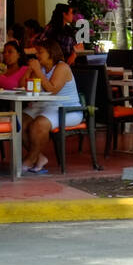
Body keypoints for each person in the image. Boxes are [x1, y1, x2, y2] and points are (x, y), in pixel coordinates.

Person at [21, 39, 80, 174]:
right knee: (19, 121)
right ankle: (38, 157)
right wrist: (29, 70)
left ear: (51, 53)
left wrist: (38, 72)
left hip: (66, 108)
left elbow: (52, 89)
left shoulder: (62, 67)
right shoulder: (40, 68)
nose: (37, 55)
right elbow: (24, 85)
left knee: (39, 125)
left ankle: (30, 159)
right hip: (44, 105)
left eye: (40, 52)